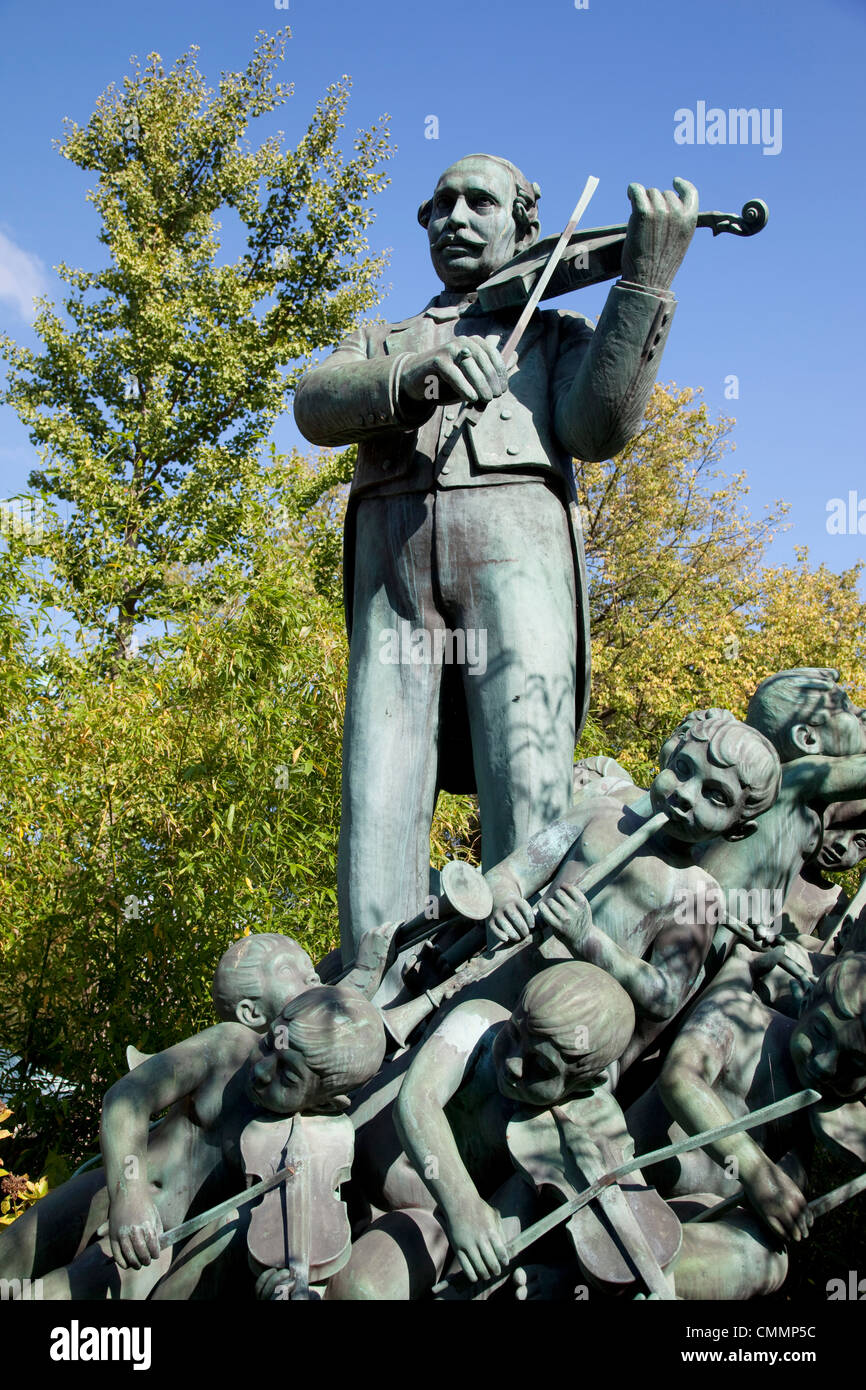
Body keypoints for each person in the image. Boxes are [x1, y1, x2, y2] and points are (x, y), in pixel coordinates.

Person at [294, 152, 699, 962]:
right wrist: (413, 376)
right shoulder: (383, 339)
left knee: (529, 768)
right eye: (442, 202)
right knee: (378, 779)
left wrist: (644, 284)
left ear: (525, 227)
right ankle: (372, 977)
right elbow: (313, 402)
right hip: (392, 569)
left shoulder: (552, 335)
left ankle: (527, 975)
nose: (456, 215)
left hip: (518, 553)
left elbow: (598, 428)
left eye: (482, 201)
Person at [482, 714, 781, 1068]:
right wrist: (505, 902)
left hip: (575, 1049)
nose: (685, 794)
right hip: (506, 981)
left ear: (738, 830)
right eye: (683, 769)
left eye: (715, 796)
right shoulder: (600, 812)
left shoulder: (702, 894)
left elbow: (666, 996)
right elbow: (508, 875)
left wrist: (587, 939)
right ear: (668, 755)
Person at [624, 947, 866, 1298]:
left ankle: (649, 1279)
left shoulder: (823, 1107)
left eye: (854, 1065)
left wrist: (789, 1195)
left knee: (770, 1259)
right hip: (632, 1172)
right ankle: (611, 1271)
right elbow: (680, 1079)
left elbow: (792, 1166)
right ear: (808, 1001)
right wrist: (757, 1173)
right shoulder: (738, 1013)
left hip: (691, 1216)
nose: (826, 1065)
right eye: (821, 1032)